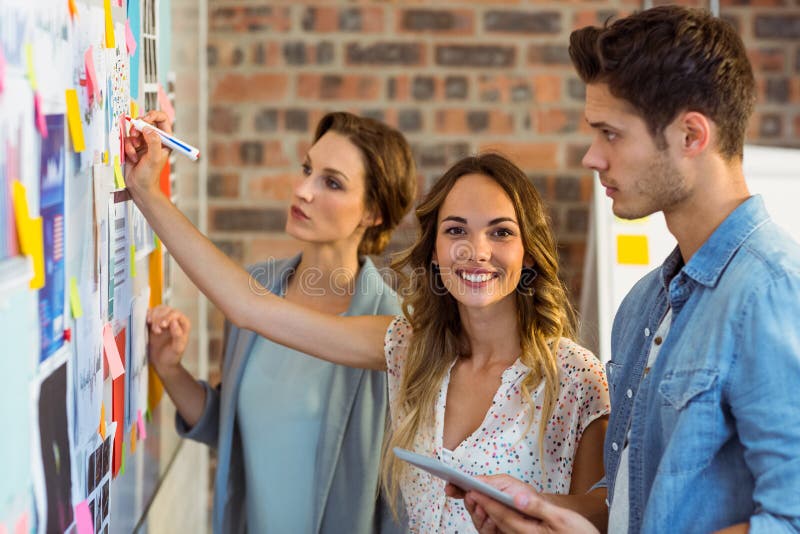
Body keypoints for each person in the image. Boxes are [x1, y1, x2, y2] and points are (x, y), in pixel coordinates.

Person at [124, 116, 610, 533]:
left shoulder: (575, 377)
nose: (475, 251)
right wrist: (145, 192)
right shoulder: (410, 349)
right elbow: (249, 307)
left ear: (529, 250)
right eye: (455, 229)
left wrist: (533, 507)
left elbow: (608, 511)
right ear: (435, 250)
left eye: (500, 232)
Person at [451, 5, 800, 534]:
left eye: (610, 133)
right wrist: (542, 509)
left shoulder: (771, 292)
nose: (591, 156)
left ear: (691, 136)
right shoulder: (643, 304)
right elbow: (635, 499)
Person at [144, 111, 417, 534]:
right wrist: (169, 369)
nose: (302, 190)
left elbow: (400, 500)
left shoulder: (391, 329)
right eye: (307, 169)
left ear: (373, 213)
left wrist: (147, 192)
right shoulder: (256, 285)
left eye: (332, 182)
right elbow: (235, 433)